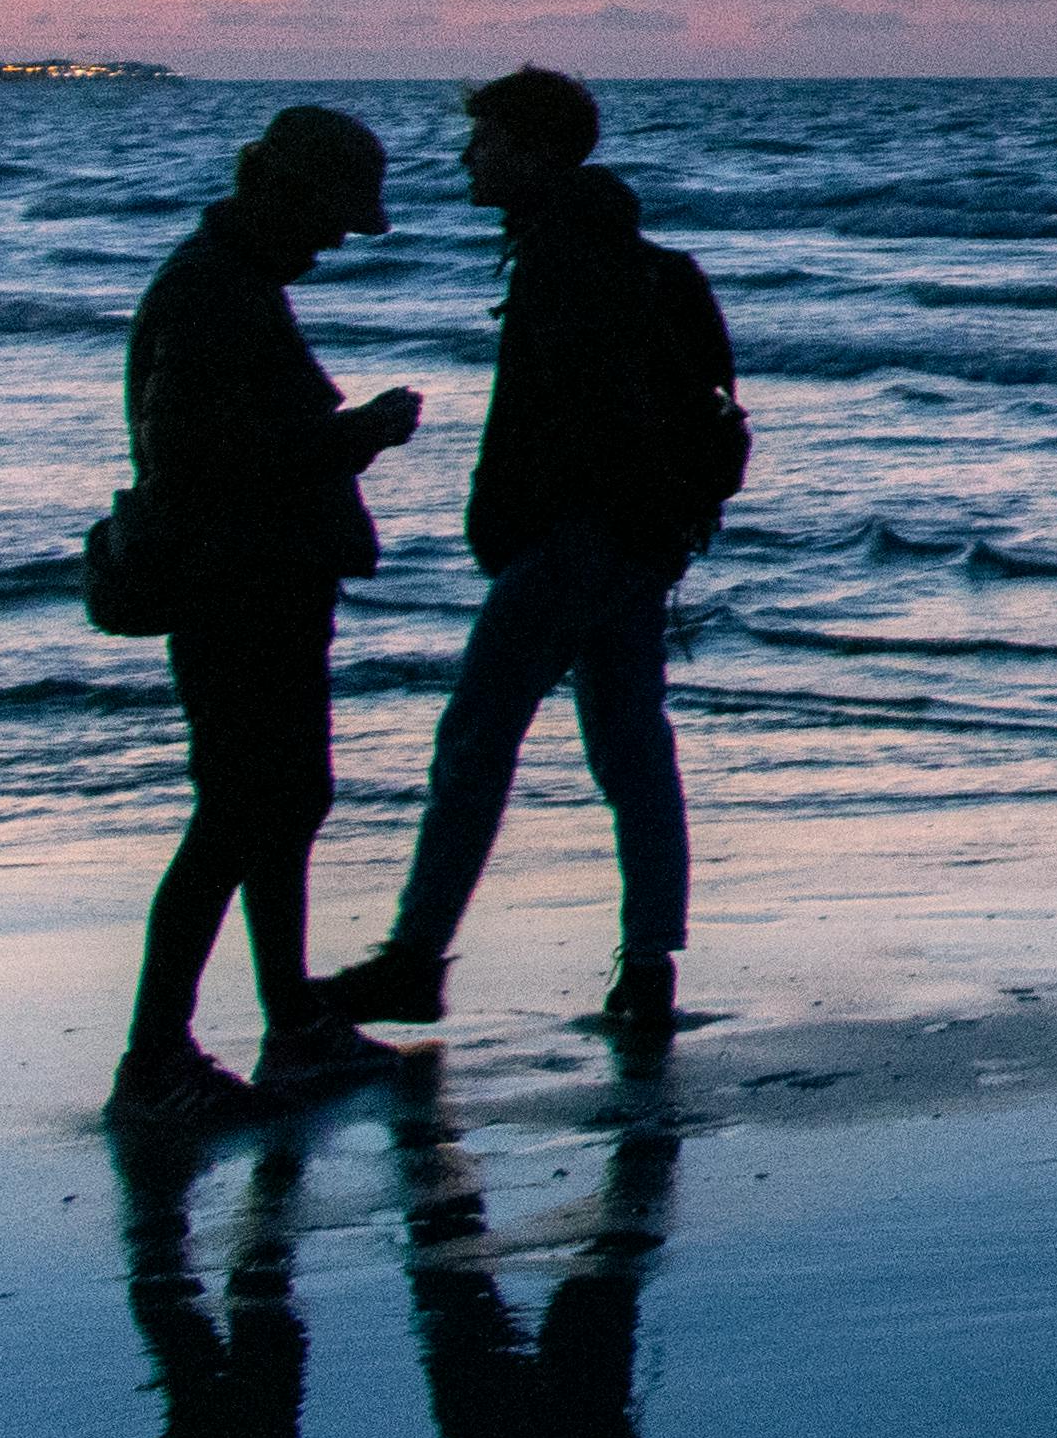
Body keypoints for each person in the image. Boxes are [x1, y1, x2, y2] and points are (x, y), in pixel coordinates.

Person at [316, 66, 742, 1038]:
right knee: (632, 751)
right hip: (640, 541)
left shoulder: (562, 256)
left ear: (536, 151)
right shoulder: (642, 259)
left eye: (487, 140)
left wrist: (513, 526)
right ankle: (647, 965)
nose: (468, 157)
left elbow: (561, 419)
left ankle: (416, 957)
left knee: (475, 740)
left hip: (574, 539)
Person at [111, 103, 425, 1122]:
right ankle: (156, 1056)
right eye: (331, 217)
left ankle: (291, 1024)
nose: (335, 242)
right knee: (238, 815)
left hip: (267, 587)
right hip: (232, 590)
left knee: (283, 804)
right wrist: (355, 436)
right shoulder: (209, 293)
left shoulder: (230, 282)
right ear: (285, 194)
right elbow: (196, 464)